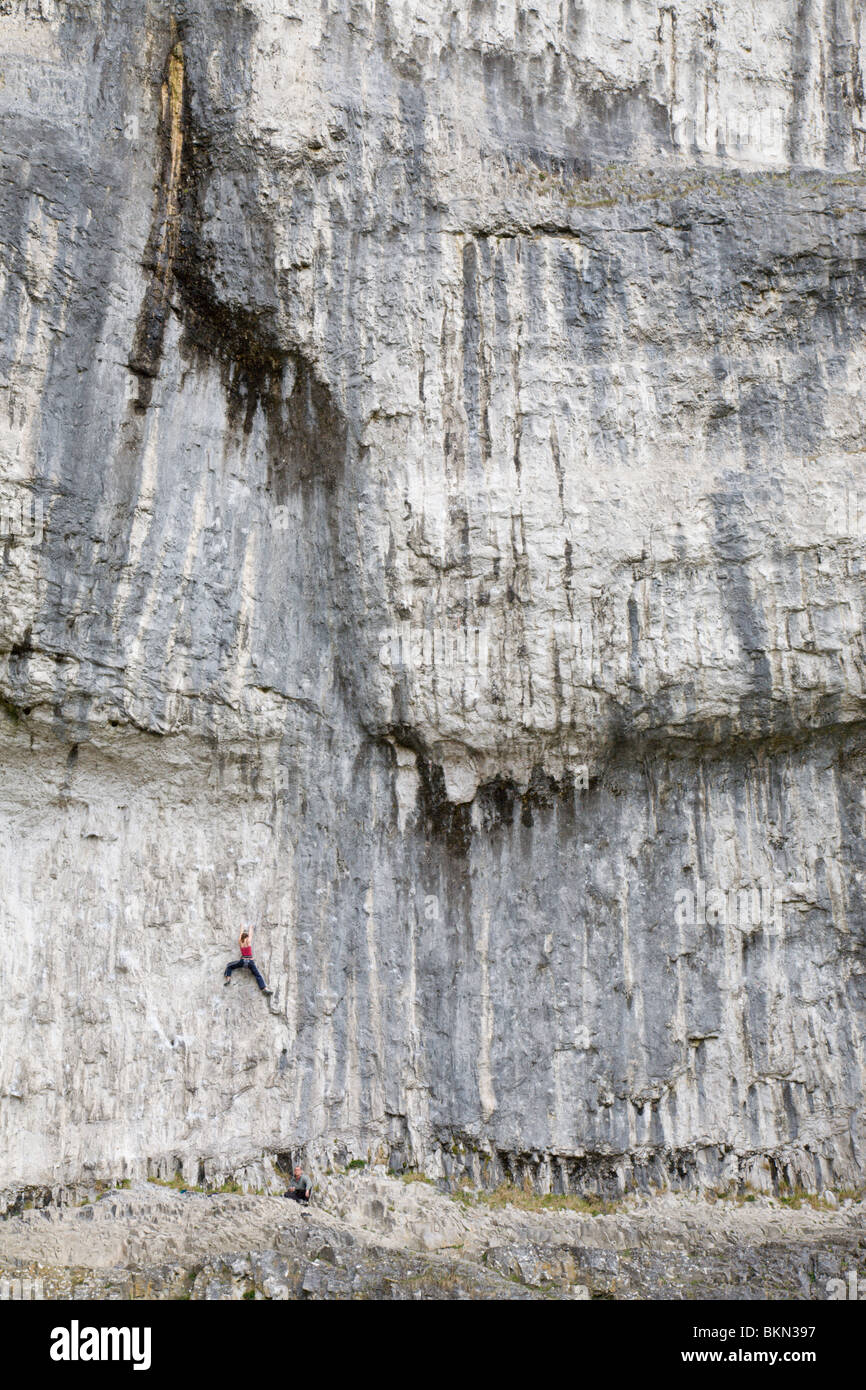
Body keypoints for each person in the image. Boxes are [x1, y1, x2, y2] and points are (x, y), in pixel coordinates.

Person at [224, 926, 273, 996]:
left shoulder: (240, 942)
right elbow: (250, 934)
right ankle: (264, 989)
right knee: (257, 975)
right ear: (247, 937)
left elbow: (241, 934)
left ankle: (228, 979)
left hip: (242, 961)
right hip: (250, 962)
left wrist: (241, 927)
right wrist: (251, 928)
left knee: (229, 965)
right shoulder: (248, 941)